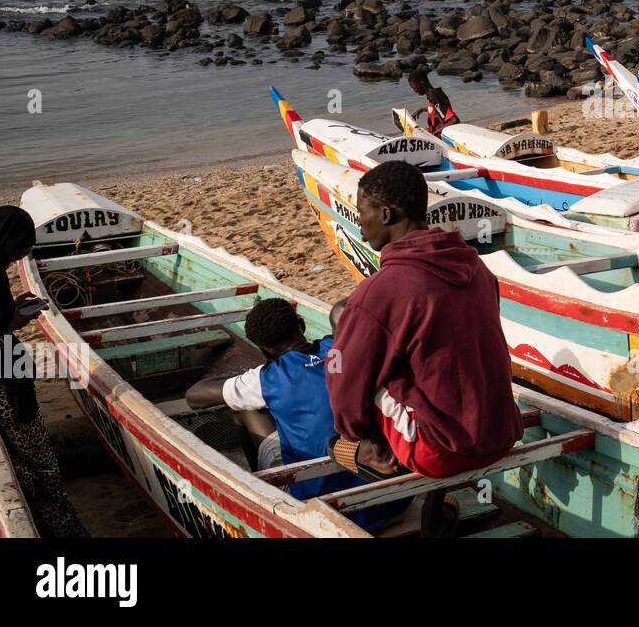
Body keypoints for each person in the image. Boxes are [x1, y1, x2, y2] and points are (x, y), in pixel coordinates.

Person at [325, 161, 522, 510]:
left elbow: (345, 385)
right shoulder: (477, 267)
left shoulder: (381, 291)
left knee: (347, 357)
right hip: (501, 434)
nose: (359, 222)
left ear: (385, 214)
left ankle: (377, 456)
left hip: (442, 452)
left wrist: (352, 433)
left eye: (362, 211)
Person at [185, 297, 407, 532]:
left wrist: (244, 380)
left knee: (246, 408)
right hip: (394, 504)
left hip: (322, 510)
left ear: (264, 350)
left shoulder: (269, 377)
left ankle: (262, 489)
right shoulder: (339, 348)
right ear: (301, 325)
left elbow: (194, 396)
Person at [0, 205, 87, 537]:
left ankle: (54, 516)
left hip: (4, 365)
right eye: (14, 255)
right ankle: (58, 523)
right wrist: (11, 325)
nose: (13, 263)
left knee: (31, 450)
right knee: (34, 453)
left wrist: (13, 315)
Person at [407, 69, 460, 137]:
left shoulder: (435, 97)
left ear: (422, 83)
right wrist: (422, 109)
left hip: (440, 138)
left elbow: (454, 120)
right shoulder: (432, 95)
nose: (414, 91)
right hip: (434, 133)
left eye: (414, 88)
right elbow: (438, 109)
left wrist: (433, 134)